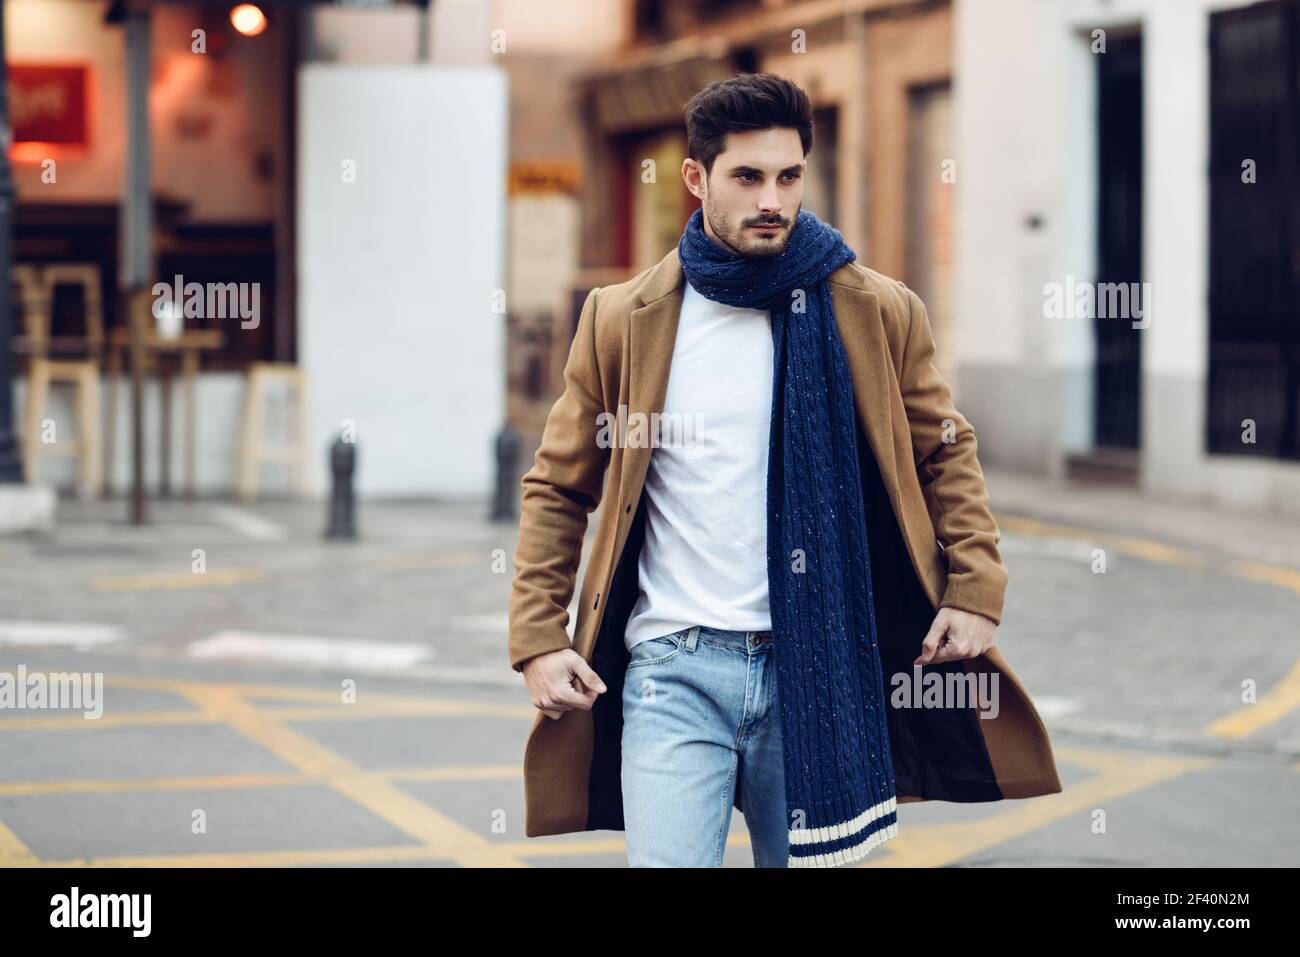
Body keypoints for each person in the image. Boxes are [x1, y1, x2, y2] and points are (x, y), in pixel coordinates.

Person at [508, 72, 1061, 868]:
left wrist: (976, 588)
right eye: (747, 176)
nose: (773, 198)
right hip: (673, 666)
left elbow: (945, 449)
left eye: (789, 175)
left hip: (819, 667)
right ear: (697, 180)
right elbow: (559, 487)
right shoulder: (623, 321)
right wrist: (537, 637)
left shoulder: (875, 309)